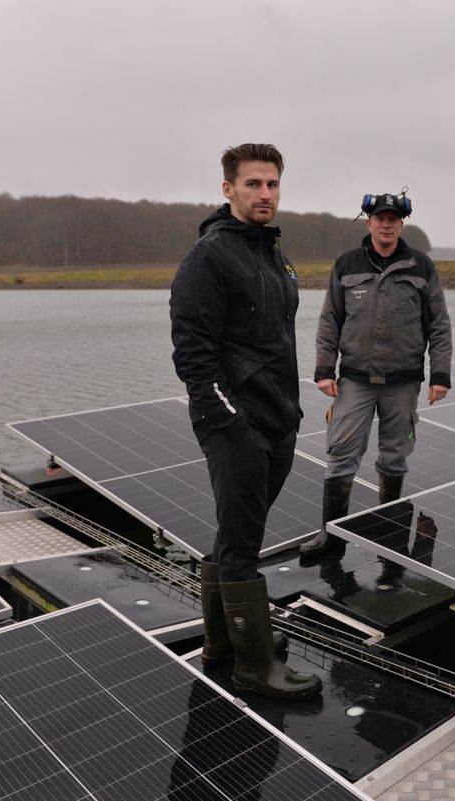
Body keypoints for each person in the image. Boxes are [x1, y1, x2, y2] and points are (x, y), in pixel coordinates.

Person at [169, 143, 320, 700]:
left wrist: (288, 413)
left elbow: (276, 342)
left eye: (273, 184)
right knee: (242, 546)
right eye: (253, 184)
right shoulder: (210, 257)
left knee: (237, 535)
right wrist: (233, 424)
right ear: (227, 189)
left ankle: (221, 645)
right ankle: (254, 668)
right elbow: (193, 354)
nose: (265, 194)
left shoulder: (272, 254)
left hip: (278, 418)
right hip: (237, 424)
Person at [300, 191, 453, 555]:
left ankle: (392, 531)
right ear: (368, 222)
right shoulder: (346, 264)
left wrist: (440, 375)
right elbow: (329, 320)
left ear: (402, 224)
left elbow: (439, 325)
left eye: (393, 220)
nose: (386, 225)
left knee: (394, 456)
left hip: (403, 382)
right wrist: (324, 368)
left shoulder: (421, 267)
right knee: (340, 454)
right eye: (380, 219)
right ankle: (330, 536)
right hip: (354, 380)